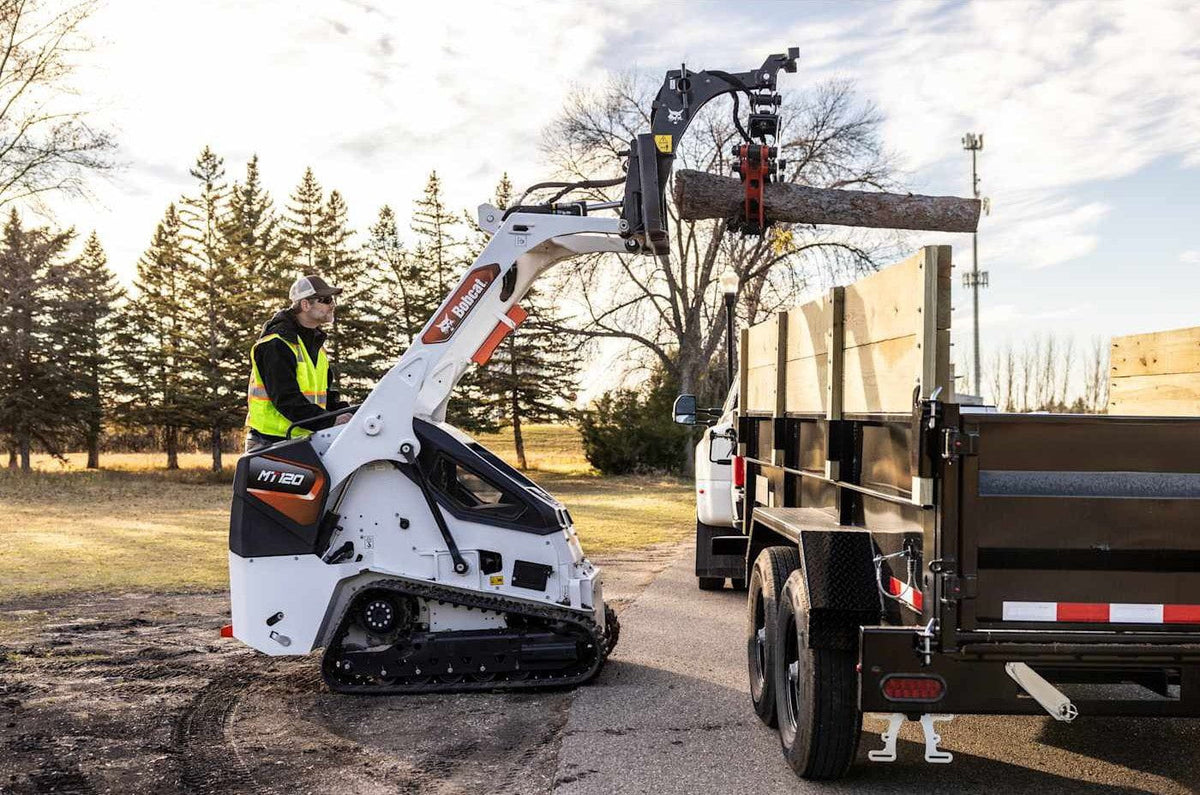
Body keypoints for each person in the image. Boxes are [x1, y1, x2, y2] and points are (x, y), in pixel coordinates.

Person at [244, 274, 352, 453]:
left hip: (302, 439)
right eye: (325, 300)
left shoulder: (315, 345)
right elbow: (286, 399)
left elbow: (325, 396)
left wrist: (351, 413)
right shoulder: (276, 344)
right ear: (305, 304)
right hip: (271, 443)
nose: (332, 305)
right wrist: (330, 421)